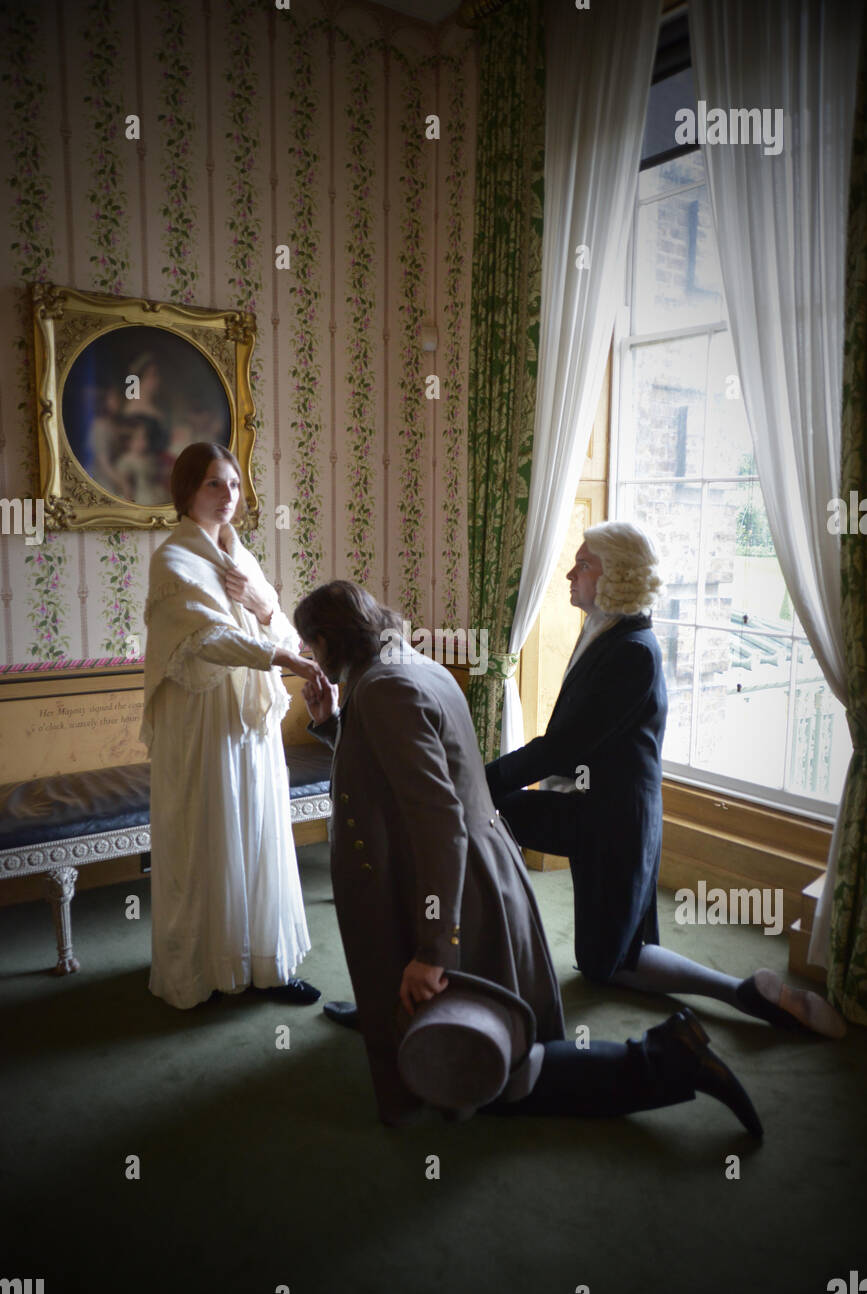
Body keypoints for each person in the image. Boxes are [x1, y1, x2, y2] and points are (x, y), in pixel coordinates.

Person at [295, 580, 764, 1137]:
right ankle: (392, 1019)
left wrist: (432, 948)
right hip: (467, 868)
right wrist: (332, 725)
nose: (307, 657)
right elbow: (391, 770)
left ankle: (667, 1058)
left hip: (454, 883)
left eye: (308, 645)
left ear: (327, 639)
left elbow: (437, 818)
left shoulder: (382, 688)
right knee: (466, 1026)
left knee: (497, 1067)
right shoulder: (408, 662)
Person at [485, 520, 846, 1039]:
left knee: (611, 963)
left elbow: (562, 747)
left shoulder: (631, 650)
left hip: (613, 823)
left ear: (616, 577)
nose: (570, 572)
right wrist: (487, 786)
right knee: (493, 816)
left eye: (583, 564)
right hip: (587, 807)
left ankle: (746, 991)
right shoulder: (605, 632)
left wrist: (484, 777)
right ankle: (482, 946)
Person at [140, 442, 321, 1009]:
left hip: (250, 718)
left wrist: (268, 614)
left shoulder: (243, 558)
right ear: (187, 490)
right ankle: (206, 971)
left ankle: (267, 966)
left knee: (260, 825)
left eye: (235, 486)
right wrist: (281, 658)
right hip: (201, 718)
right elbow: (208, 640)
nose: (227, 497)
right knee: (209, 831)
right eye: (214, 485)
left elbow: (277, 621)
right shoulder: (172, 561)